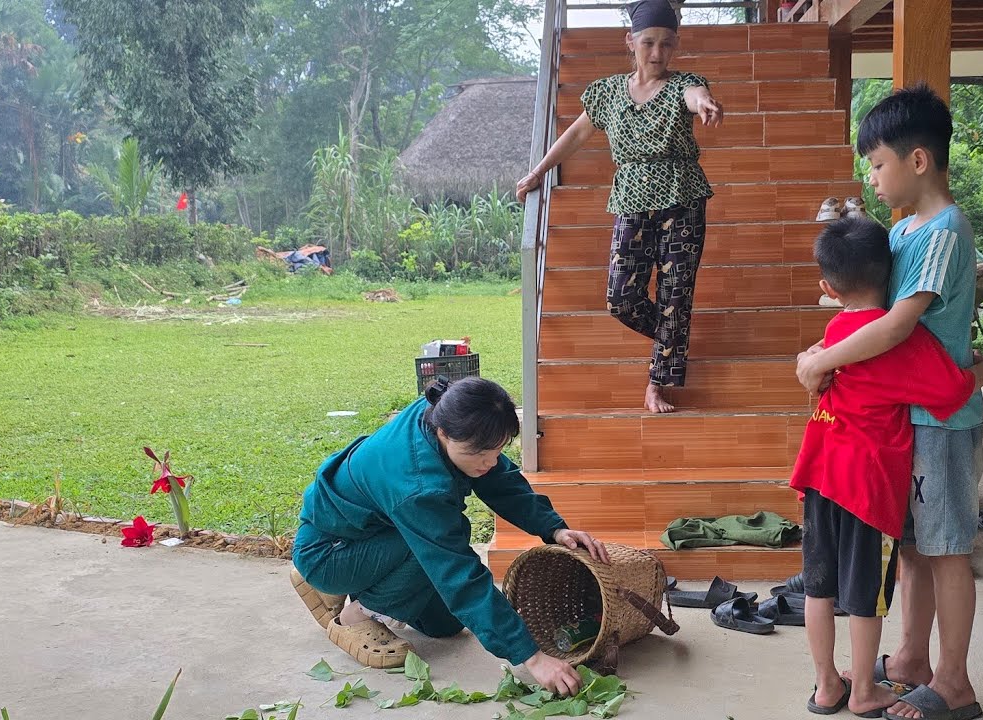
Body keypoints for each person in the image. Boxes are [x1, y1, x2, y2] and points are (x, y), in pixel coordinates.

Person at [794, 84, 983, 720]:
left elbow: (899, 324)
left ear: (919, 161)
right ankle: (909, 657)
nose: (871, 178)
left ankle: (954, 682)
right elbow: (872, 309)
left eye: (878, 164)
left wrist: (822, 359)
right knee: (909, 546)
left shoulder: (941, 231)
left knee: (947, 547)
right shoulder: (906, 230)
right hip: (905, 418)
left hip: (941, 419)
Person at [289, 377, 610, 697]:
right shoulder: (418, 488)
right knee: (431, 550)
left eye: (497, 450)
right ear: (443, 433)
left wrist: (553, 528)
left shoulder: (447, 414)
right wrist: (533, 657)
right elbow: (459, 576)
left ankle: (340, 586)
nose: (491, 461)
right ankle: (353, 615)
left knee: (446, 626)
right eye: (482, 453)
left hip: (369, 532)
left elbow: (500, 479)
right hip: (330, 550)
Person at [515, 0, 724, 414]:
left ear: (675, 45)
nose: (657, 53)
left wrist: (704, 103)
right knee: (621, 298)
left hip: (683, 199)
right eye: (648, 43)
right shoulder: (608, 92)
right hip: (631, 198)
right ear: (630, 41)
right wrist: (538, 172)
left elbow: (693, 94)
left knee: (674, 295)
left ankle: (657, 384)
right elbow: (575, 135)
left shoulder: (685, 83)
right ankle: (673, 341)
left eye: (667, 44)